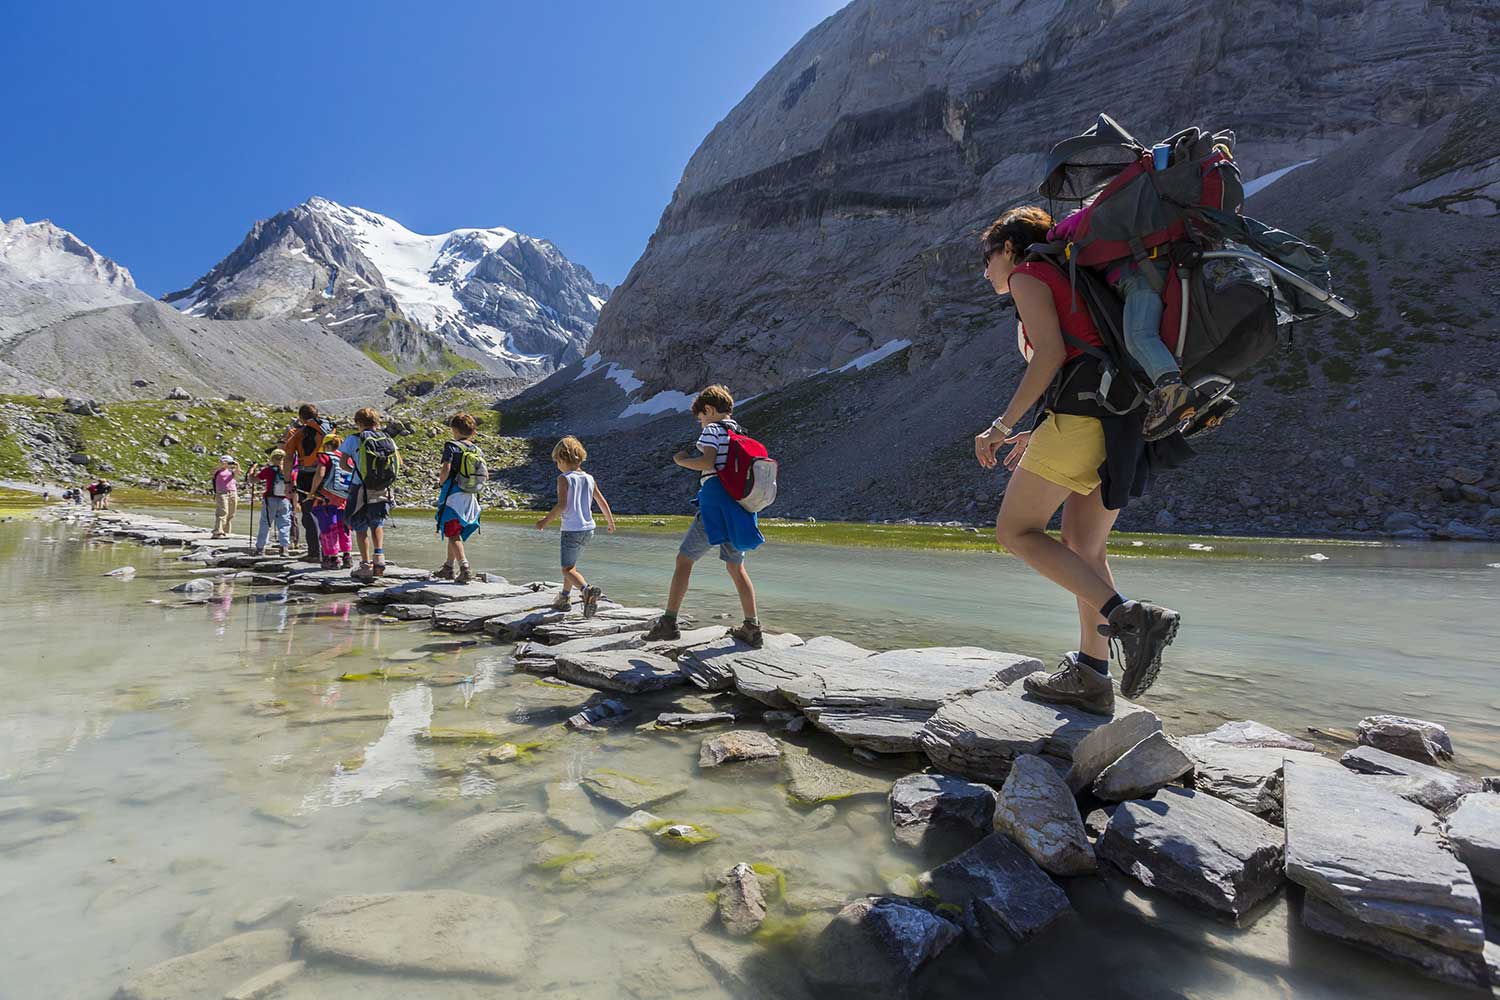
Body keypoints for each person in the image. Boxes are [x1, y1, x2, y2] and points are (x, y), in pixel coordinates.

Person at [973, 206, 1180, 715]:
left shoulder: (1028, 273)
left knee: (1015, 531)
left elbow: (1050, 356)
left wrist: (1002, 426)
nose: (985, 270)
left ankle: (1128, 617)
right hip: (1122, 418)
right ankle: (1092, 673)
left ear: (1007, 248)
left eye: (986, 256)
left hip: (1084, 414)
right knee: (1084, 546)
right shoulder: (1071, 276)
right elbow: (1083, 350)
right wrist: (1038, 430)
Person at [642, 385, 765, 649]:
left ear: (708, 410)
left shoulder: (713, 430)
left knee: (683, 560)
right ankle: (752, 627)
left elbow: (708, 462)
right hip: (739, 506)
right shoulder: (739, 430)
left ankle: (669, 623)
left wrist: (682, 460)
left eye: (700, 418)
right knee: (735, 567)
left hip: (715, 505)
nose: (700, 423)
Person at [535, 435, 616, 617]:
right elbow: (601, 501)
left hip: (571, 529)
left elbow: (562, 505)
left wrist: (544, 521)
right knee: (571, 565)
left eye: (557, 461)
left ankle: (586, 590)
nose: (557, 465)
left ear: (563, 459)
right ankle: (564, 597)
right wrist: (610, 522)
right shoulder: (589, 478)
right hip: (589, 529)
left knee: (567, 569)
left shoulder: (564, 479)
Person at [339, 407, 399, 582]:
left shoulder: (353, 439)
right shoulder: (386, 438)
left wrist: (357, 472)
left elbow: (343, 464)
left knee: (360, 525)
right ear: (376, 422)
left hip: (360, 487)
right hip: (382, 487)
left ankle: (365, 565)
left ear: (359, 423)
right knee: (377, 523)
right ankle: (379, 558)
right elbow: (397, 462)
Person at [433, 413, 486, 584]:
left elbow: (446, 468)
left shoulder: (452, 446)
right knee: (454, 532)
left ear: (454, 430)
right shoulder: (477, 450)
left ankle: (465, 568)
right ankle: (448, 567)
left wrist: (441, 482)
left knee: (452, 532)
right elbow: (486, 474)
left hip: (453, 495)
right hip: (471, 496)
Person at [280, 403, 328, 562]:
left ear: (301, 418)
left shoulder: (297, 434)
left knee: (309, 514)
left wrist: (287, 482)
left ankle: (314, 553)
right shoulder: (328, 431)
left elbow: (288, 459)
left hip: (306, 476)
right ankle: (331, 551)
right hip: (328, 476)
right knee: (327, 513)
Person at [307, 433, 353, 570]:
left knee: (328, 529)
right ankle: (347, 556)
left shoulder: (326, 457)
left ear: (326, 445)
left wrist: (312, 492)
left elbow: (320, 474)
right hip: (344, 500)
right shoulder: (348, 459)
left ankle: (333, 559)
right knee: (344, 529)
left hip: (326, 499)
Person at [252, 450, 293, 556]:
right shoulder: (290, 471)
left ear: (273, 459)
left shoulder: (269, 470)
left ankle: (260, 548)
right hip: (285, 500)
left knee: (266, 523)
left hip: (270, 499)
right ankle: (284, 548)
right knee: (284, 523)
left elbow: (253, 480)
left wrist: (252, 470)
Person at [211, 455, 239, 538]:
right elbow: (212, 473)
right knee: (223, 511)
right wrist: (221, 465)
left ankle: (226, 531)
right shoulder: (218, 471)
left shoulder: (231, 471)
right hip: (222, 493)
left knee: (231, 513)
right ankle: (217, 532)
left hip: (233, 492)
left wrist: (237, 465)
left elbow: (238, 473)